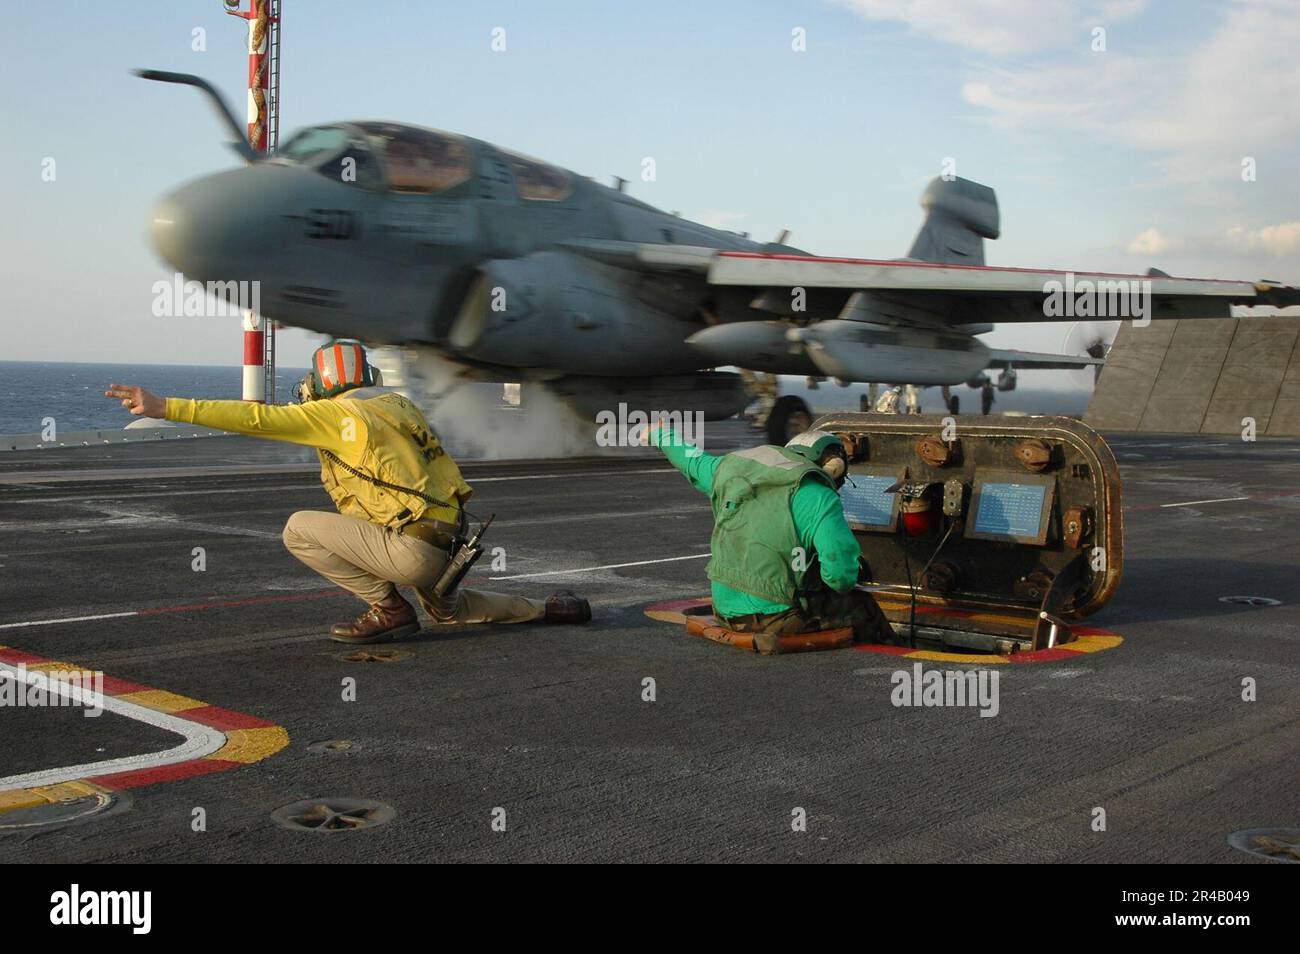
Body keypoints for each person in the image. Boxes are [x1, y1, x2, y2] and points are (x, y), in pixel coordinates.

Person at [105, 339, 590, 644]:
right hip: (449, 546)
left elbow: (256, 418)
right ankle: (548, 609)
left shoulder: (339, 413)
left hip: (408, 549)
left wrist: (165, 406)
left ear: (325, 382)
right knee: (451, 611)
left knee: (299, 528)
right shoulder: (400, 406)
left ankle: (389, 609)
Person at [644, 422, 892, 654]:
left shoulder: (728, 470)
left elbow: (689, 460)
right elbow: (840, 578)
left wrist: (660, 434)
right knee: (862, 606)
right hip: (772, 620)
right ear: (834, 468)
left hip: (725, 611)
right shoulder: (819, 496)